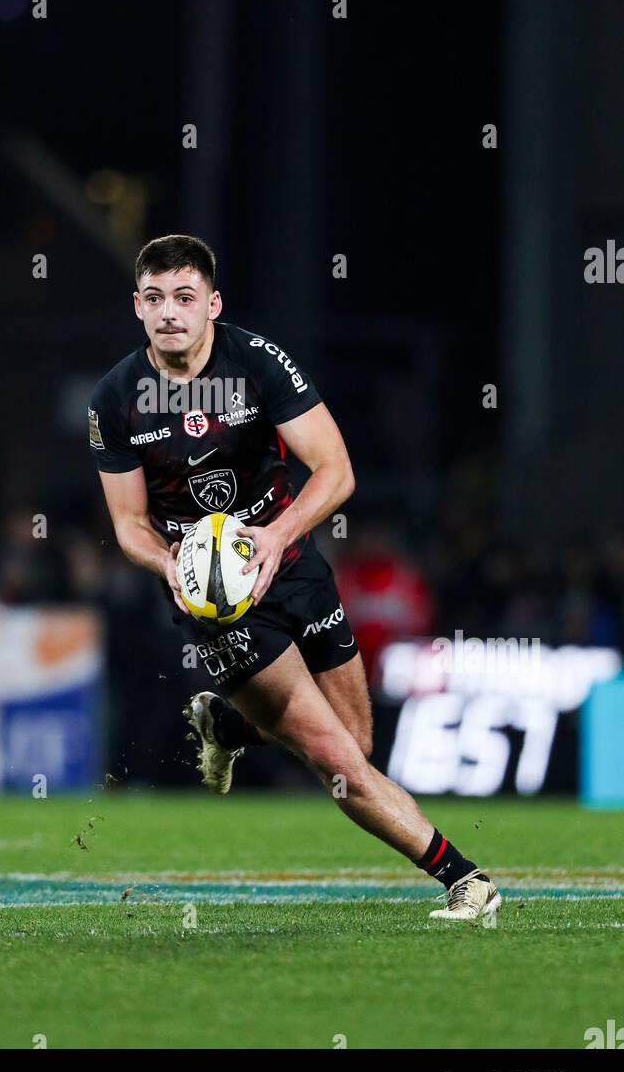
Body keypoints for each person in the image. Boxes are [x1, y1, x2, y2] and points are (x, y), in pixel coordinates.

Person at [89, 233, 501, 924]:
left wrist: (277, 540)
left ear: (212, 304)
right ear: (137, 306)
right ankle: (466, 880)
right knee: (333, 755)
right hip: (216, 602)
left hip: (292, 561)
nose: (170, 312)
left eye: (185, 297)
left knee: (358, 740)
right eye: (155, 298)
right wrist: (169, 563)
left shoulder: (256, 362)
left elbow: (336, 470)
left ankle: (231, 727)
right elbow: (128, 522)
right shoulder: (116, 398)